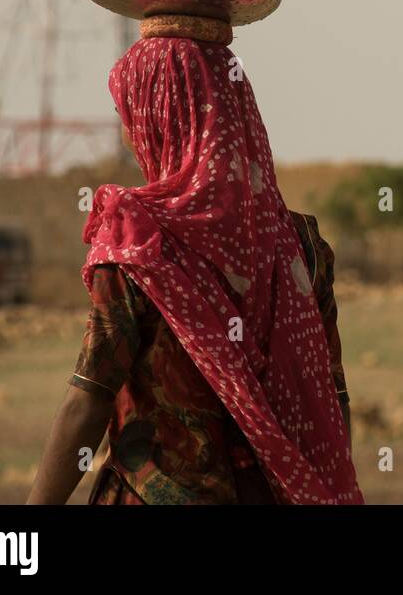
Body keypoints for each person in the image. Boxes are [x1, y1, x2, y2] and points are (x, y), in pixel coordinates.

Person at [28, 28, 360, 504]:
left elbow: (89, 400)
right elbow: (331, 406)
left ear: (159, 118)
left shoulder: (137, 245)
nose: (127, 129)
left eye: (129, 112)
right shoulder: (299, 248)